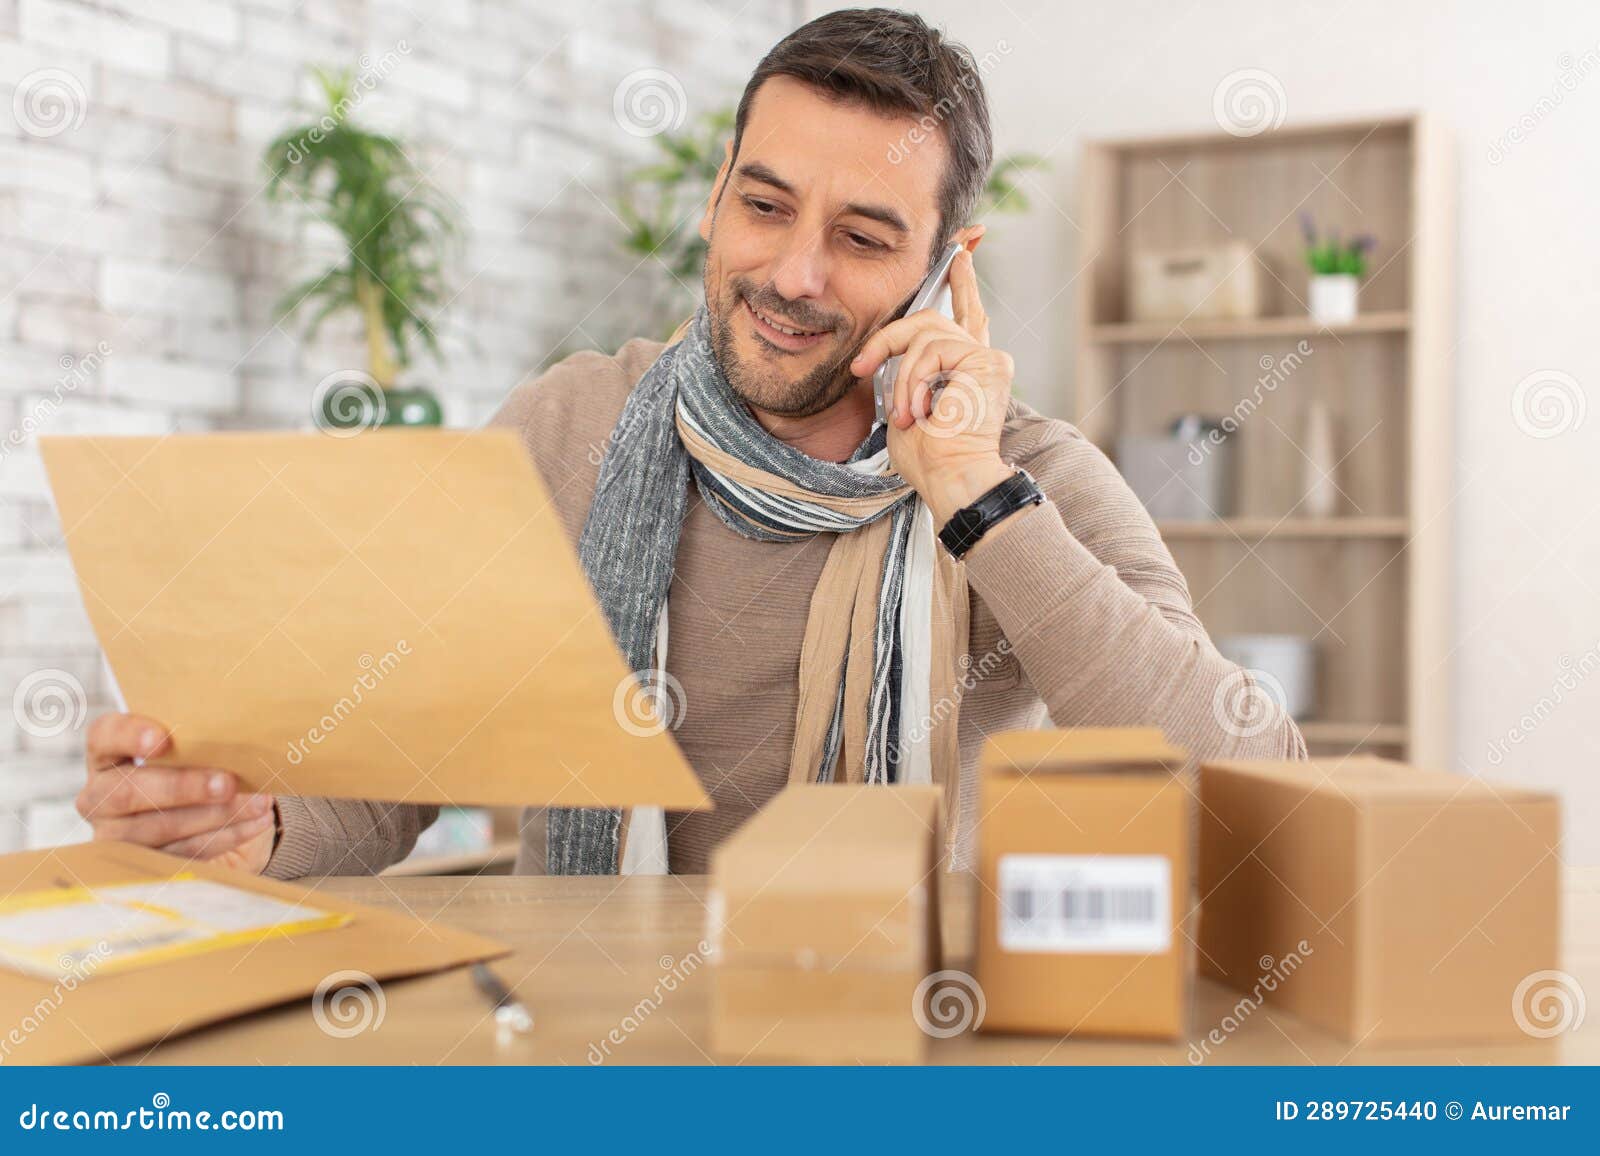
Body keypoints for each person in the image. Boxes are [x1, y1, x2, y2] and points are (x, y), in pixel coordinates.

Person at [77, 8, 1305, 880]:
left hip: (902, 1035)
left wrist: (974, 496)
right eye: (764, 206)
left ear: (944, 269)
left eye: (863, 238)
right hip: (598, 1033)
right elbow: (394, 766)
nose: (794, 272)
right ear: (717, 196)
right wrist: (250, 826)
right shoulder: (568, 426)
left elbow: (1247, 779)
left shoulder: (1019, 476)